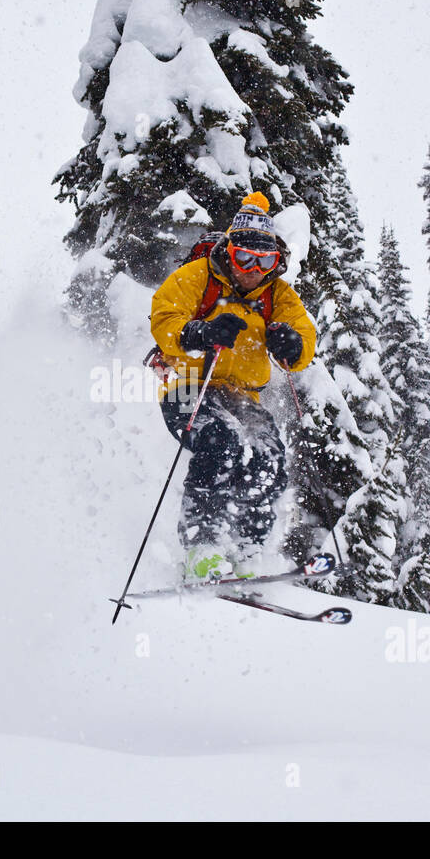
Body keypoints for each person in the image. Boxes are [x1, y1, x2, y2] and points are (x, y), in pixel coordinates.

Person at [149, 192, 317, 580]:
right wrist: (200, 332)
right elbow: (165, 315)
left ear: (277, 262)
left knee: (269, 457)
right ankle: (201, 547)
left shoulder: (277, 295)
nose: (252, 270)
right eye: (244, 257)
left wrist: (292, 344)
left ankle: (246, 550)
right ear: (229, 251)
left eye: (265, 262)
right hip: (188, 385)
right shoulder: (198, 277)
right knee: (219, 441)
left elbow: (304, 336)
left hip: (243, 394)